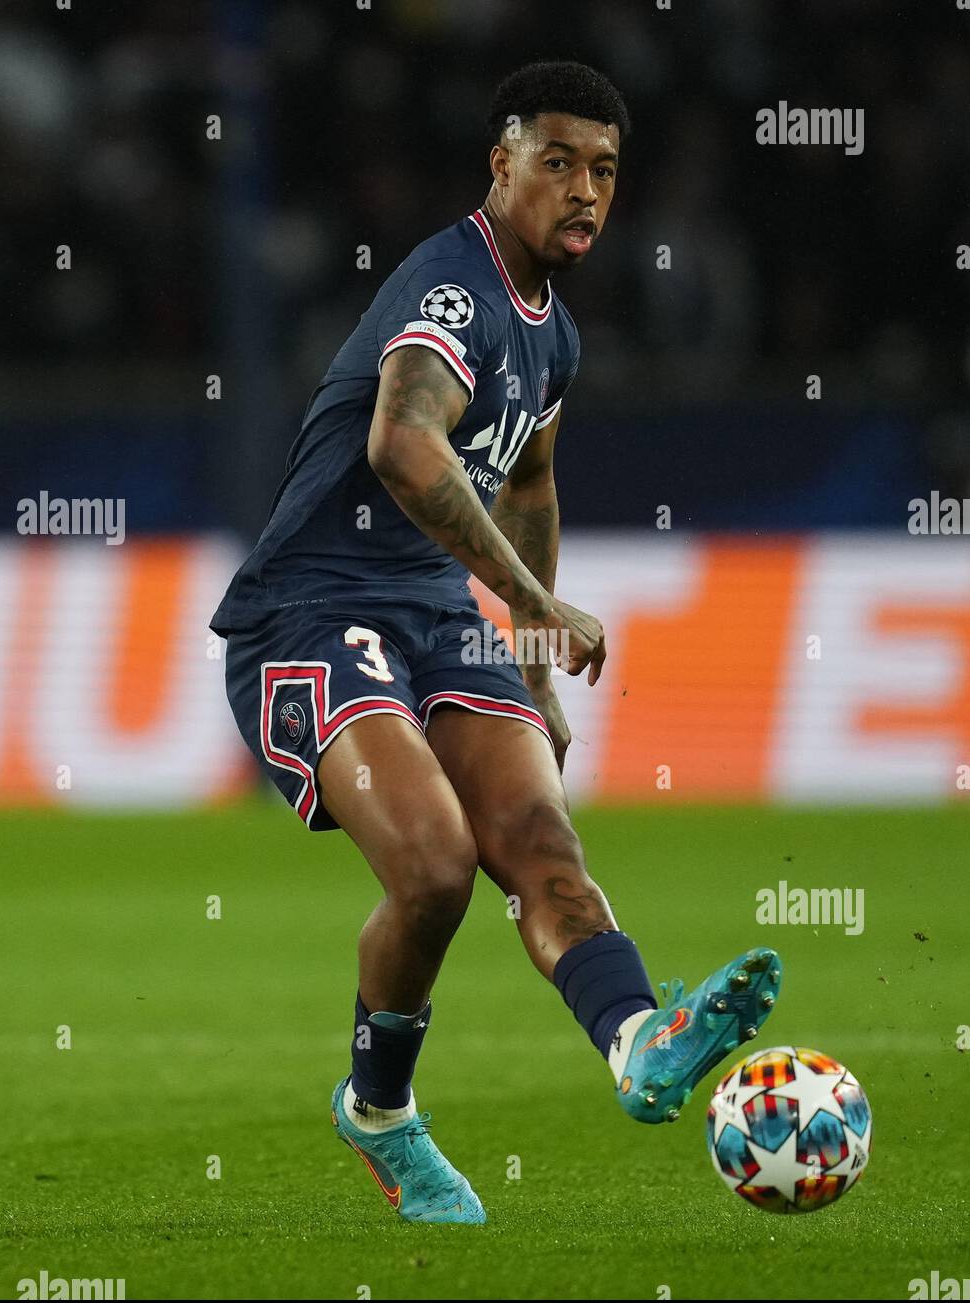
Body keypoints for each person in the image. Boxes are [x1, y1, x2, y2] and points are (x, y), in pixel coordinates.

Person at [210, 60, 781, 1224]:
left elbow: (528, 481)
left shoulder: (553, 335)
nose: (584, 191)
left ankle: (636, 1043)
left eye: (606, 172)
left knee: (535, 834)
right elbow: (403, 446)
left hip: (435, 614)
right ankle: (379, 1114)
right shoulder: (454, 286)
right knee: (432, 869)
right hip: (311, 611)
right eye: (559, 161)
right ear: (501, 160)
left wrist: (528, 660)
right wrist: (533, 597)